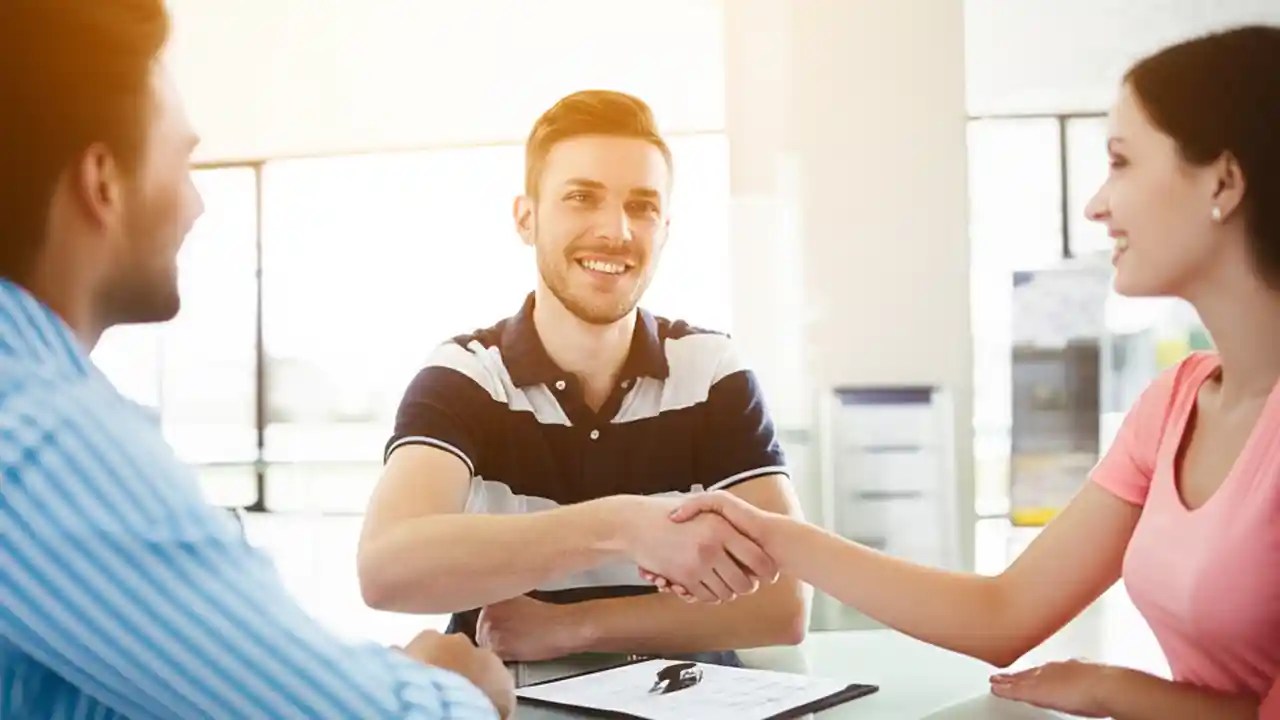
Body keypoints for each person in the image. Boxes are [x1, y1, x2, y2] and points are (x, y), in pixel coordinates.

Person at [654, 25, 1280, 720]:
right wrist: (770, 532)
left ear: (1223, 181)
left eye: (1122, 162)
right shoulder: (1174, 404)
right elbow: (1002, 614)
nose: (1097, 204)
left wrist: (1120, 691)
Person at [0, 2, 513, 717]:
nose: (197, 205)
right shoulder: (46, 438)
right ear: (104, 183)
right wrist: (458, 691)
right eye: (182, 162)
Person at [358, 90, 808, 669]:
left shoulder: (710, 370)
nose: (616, 230)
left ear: (664, 227)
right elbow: (386, 571)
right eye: (581, 198)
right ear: (527, 218)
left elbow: (782, 605)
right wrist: (620, 524)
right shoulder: (467, 376)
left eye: (642, 206)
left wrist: (573, 626)